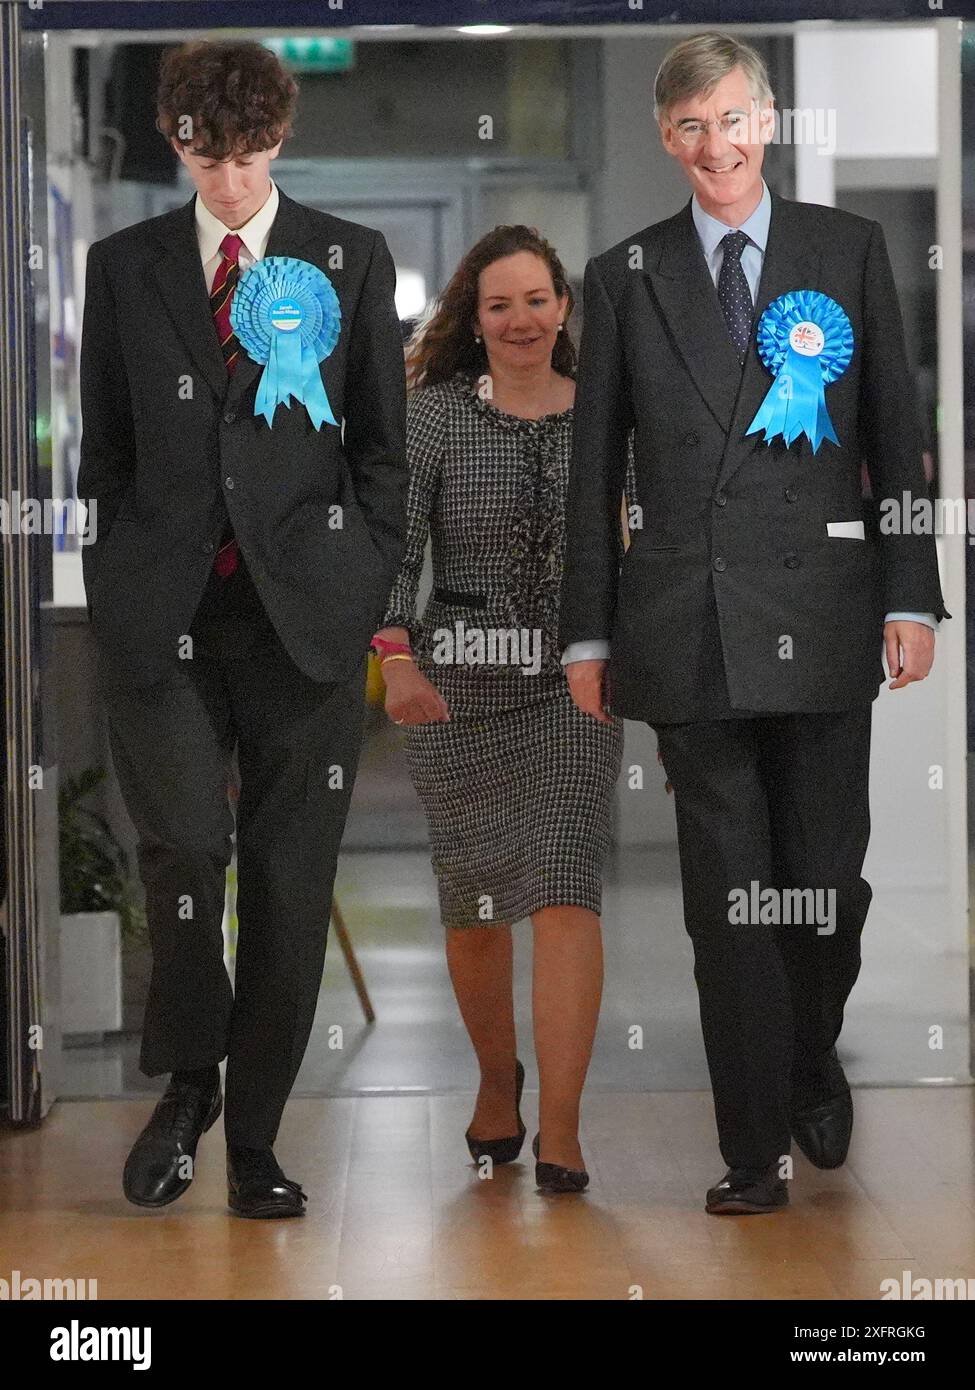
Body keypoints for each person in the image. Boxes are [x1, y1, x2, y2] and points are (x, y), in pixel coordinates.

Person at [559, 32, 947, 1214]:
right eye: (689, 128)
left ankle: (807, 1048)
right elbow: (592, 471)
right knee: (728, 902)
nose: (713, 146)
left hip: (826, 618)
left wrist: (910, 588)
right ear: (667, 139)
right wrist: (588, 633)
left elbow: (896, 430)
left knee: (825, 883)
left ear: (768, 122)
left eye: (732, 120)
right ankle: (753, 1149)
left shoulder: (849, 249)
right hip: (686, 628)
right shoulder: (624, 273)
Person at [77, 39, 406, 1218]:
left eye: (250, 154)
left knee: (285, 876)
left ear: (282, 138)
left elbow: (381, 450)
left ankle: (256, 1136)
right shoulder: (123, 269)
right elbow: (103, 453)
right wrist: (115, 571)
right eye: (205, 156)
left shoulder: (348, 260)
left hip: (301, 622)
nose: (228, 181)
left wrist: (364, 582)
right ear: (174, 138)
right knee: (181, 852)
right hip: (161, 615)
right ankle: (187, 1083)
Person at [373, 226, 624, 1193]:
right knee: (476, 905)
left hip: (573, 681)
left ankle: (560, 1130)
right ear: (471, 322)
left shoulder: (607, 415)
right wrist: (395, 660)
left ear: (562, 306)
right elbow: (394, 554)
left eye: (535, 299)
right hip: (458, 682)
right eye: (497, 304)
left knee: (564, 885)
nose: (519, 320)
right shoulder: (432, 416)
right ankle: (495, 1080)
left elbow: (635, 541)